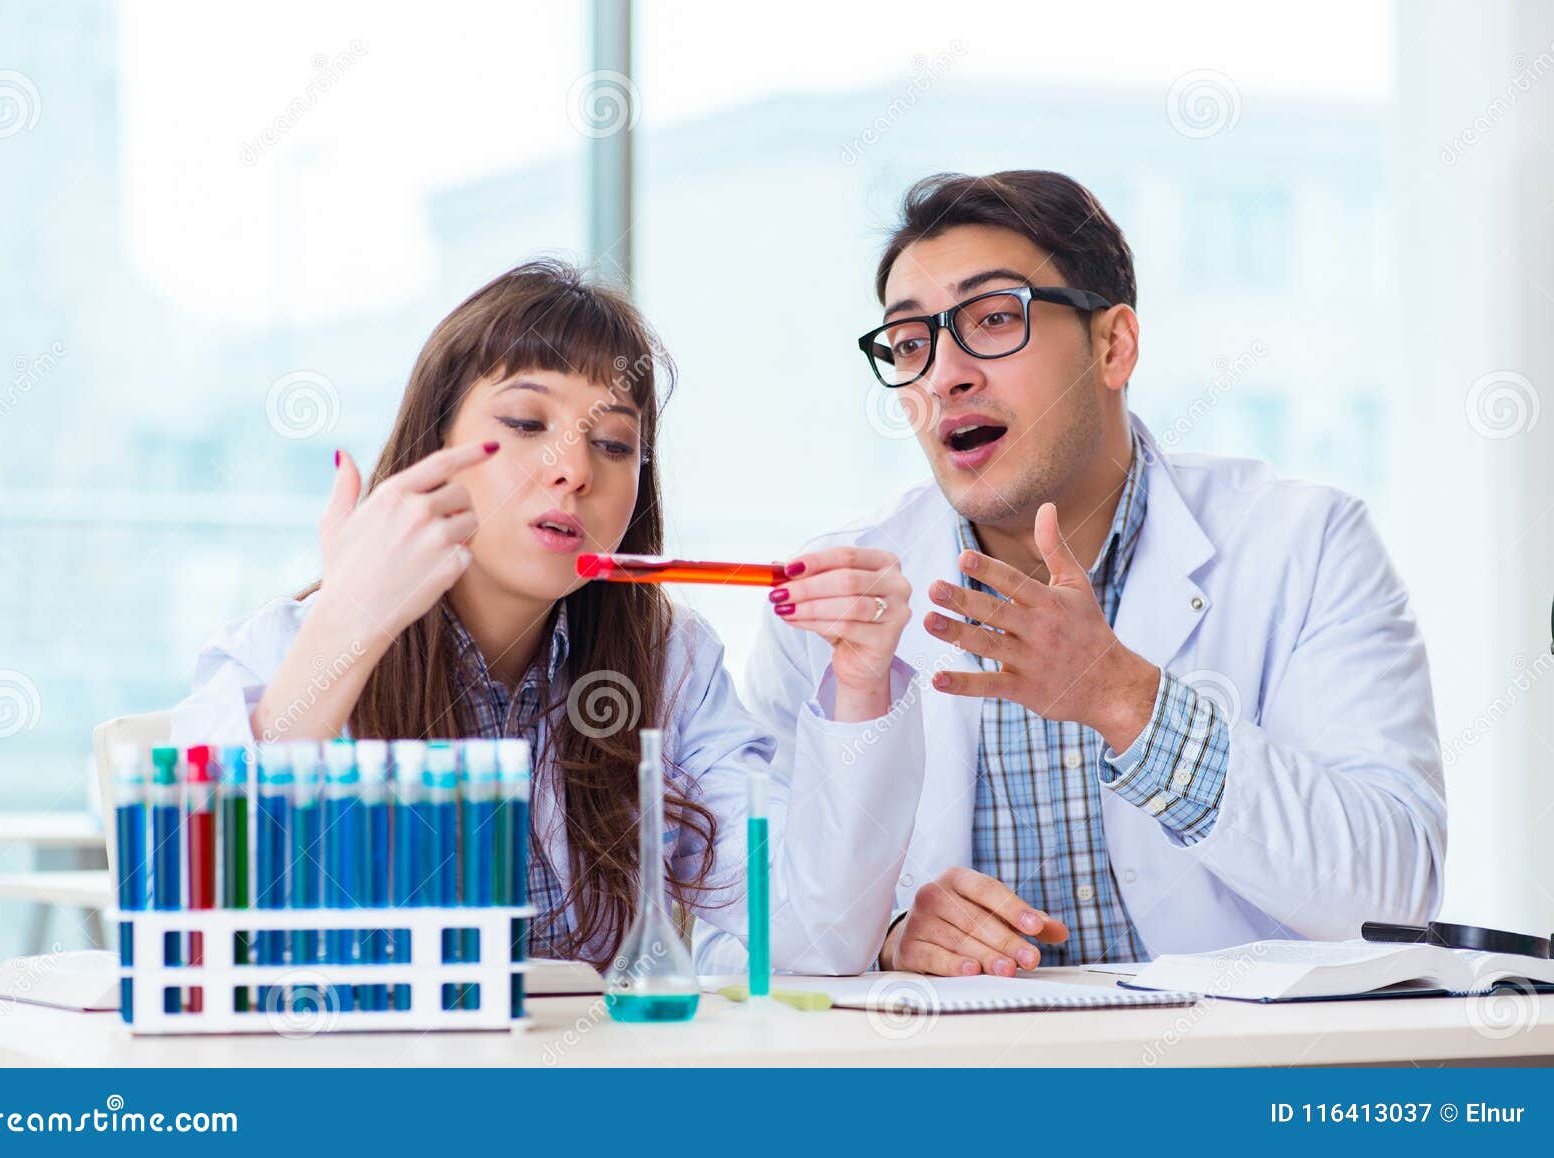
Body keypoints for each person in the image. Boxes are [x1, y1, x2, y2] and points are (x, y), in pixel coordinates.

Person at [699, 171, 1444, 977]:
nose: (944, 374)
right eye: (911, 343)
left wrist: (1122, 696)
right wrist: (883, 936)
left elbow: (1392, 892)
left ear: (1112, 345)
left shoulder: (1307, 542)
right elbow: (727, 928)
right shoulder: (839, 600)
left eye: (992, 320)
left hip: (1235, 1081)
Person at [169, 260, 908, 972]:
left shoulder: (670, 661)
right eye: (526, 422)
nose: (576, 469)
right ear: (435, 445)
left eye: (614, 443)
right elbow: (193, 928)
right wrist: (348, 628)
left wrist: (862, 683)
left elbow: (817, 938)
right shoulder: (285, 652)